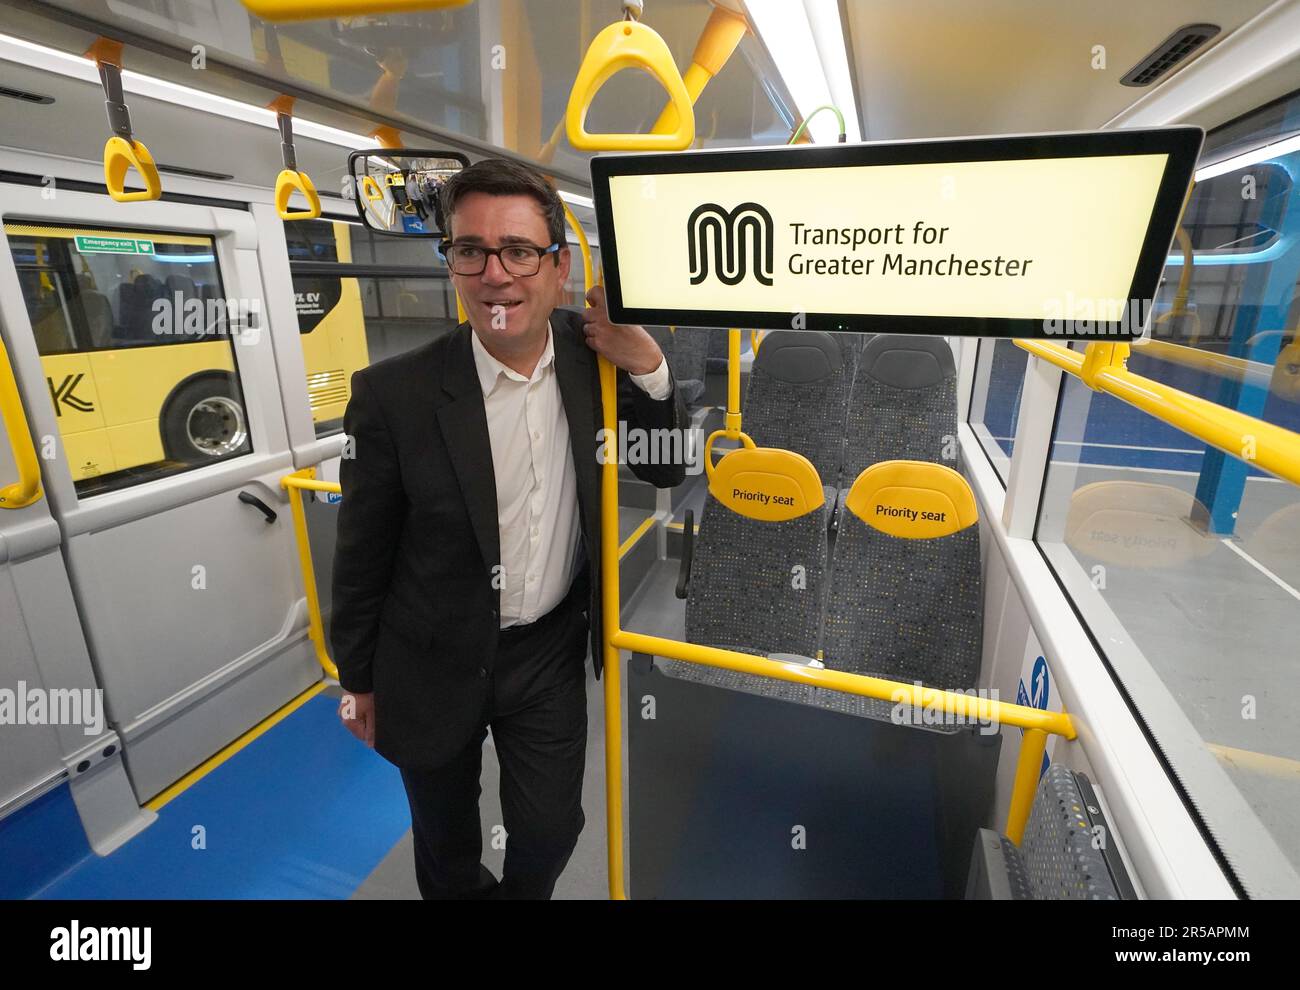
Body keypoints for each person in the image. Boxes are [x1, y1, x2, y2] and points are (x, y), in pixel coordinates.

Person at [329, 157, 686, 899]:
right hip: (429, 655)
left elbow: (665, 470)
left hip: (547, 653)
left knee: (553, 830)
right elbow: (362, 555)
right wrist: (357, 679)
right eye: (471, 251)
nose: (496, 275)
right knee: (446, 841)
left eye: (519, 251)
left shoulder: (598, 361)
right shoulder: (392, 396)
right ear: (453, 265)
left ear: (556, 267)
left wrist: (650, 365)